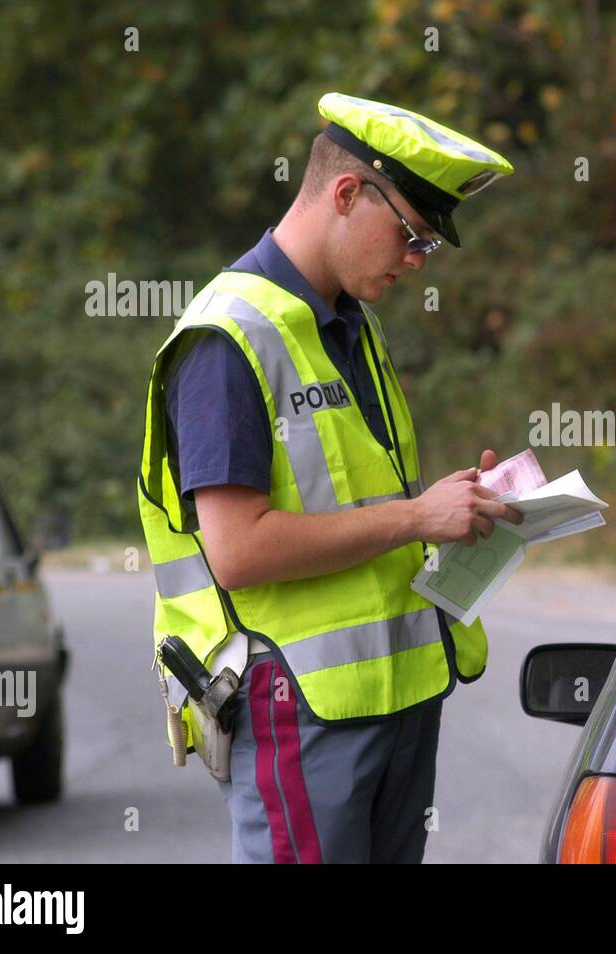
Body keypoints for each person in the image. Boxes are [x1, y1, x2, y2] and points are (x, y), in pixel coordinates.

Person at [136, 92, 522, 863]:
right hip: (298, 711)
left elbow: (355, 499)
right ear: (346, 194)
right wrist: (417, 519)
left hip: (395, 702)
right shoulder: (228, 339)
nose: (416, 260)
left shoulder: (348, 321)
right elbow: (238, 552)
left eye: (429, 247)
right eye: (411, 235)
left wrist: (452, 507)